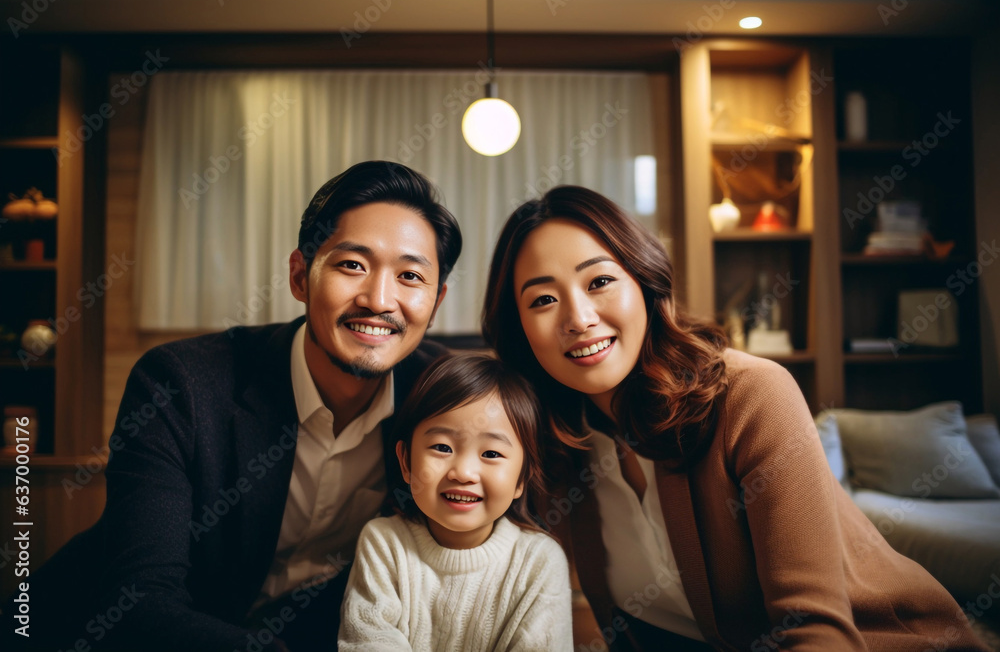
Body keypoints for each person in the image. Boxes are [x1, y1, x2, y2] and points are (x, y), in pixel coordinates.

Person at [481, 185, 989, 651]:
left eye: (601, 281)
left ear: (645, 284)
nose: (578, 318)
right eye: (543, 299)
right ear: (520, 328)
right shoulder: (547, 444)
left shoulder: (749, 395)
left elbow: (818, 633)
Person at [4, 161, 462, 652]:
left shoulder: (444, 399)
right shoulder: (180, 383)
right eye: (352, 265)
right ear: (300, 276)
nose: (378, 299)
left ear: (435, 303)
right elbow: (139, 604)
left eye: (410, 275)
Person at [338, 353, 573, 651]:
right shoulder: (384, 543)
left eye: (491, 454)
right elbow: (368, 641)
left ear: (521, 479)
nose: (463, 473)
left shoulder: (539, 562)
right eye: (442, 447)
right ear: (406, 461)